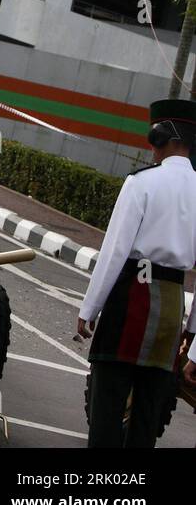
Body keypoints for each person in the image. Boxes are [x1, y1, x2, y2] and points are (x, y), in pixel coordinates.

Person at [81, 98, 196, 448]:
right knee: (147, 413)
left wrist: (89, 309)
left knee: (107, 406)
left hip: (131, 299)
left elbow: (114, 252)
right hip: (172, 306)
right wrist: (193, 335)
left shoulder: (141, 182)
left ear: (162, 135)